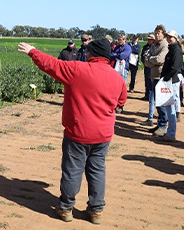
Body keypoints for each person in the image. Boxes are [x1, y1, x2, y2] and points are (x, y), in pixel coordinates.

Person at [18, 39, 127, 225]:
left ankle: (66, 208)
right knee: (97, 170)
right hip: (103, 135)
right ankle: (96, 211)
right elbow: (121, 102)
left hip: (78, 133)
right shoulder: (117, 77)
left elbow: (51, 65)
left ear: (91, 54)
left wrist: (33, 52)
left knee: (72, 170)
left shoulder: (77, 69)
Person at [156, 30, 183, 141]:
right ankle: (170, 132)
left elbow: (174, 68)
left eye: (171, 37)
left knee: (170, 107)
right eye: (168, 36)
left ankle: (171, 133)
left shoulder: (176, 50)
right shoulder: (172, 49)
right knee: (168, 107)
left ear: (175, 38)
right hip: (169, 81)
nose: (169, 38)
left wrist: (165, 79)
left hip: (171, 81)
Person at [142, 25, 169, 130]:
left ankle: (163, 126)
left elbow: (159, 59)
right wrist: (151, 61)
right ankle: (159, 124)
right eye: (156, 33)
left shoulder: (165, 46)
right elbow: (146, 59)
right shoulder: (154, 46)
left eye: (159, 33)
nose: (157, 35)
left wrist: (151, 60)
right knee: (157, 103)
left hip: (161, 77)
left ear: (163, 34)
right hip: (153, 76)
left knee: (161, 103)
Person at [140, 34, 155, 101]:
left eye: (150, 39)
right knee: (147, 81)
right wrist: (145, 62)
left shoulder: (155, 47)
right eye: (148, 39)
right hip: (146, 66)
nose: (149, 41)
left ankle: (152, 96)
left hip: (153, 67)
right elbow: (142, 56)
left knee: (152, 81)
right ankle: (147, 95)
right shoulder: (145, 47)